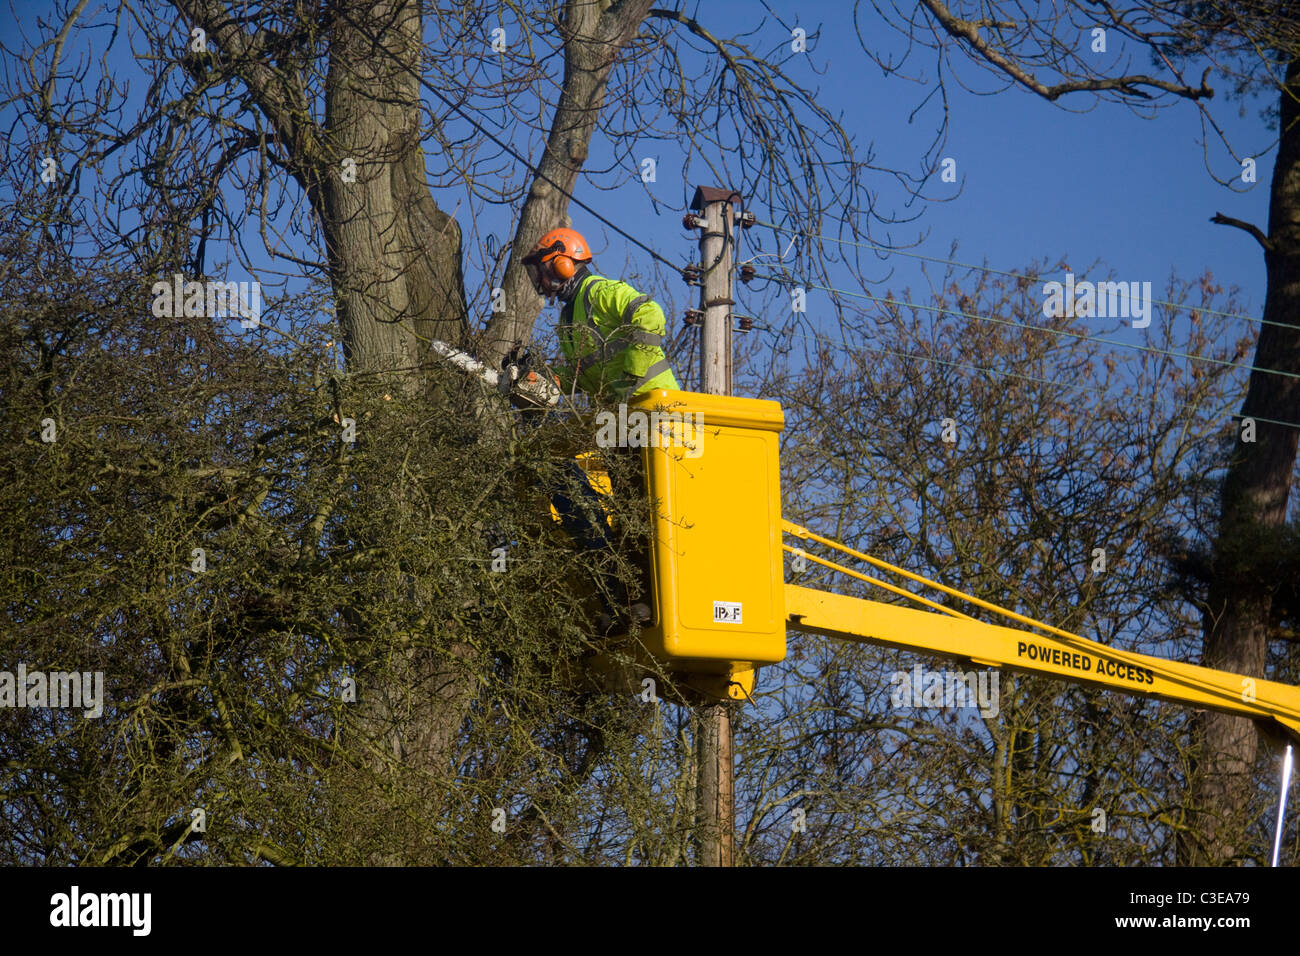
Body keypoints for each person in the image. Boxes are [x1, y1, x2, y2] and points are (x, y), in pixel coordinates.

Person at [521, 226, 680, 632]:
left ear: (562, 260)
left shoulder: (598, 293)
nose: (539, 280)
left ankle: (647, 597)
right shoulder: (567, 319)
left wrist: (630, 376)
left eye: (541, 269)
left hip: (653, 410)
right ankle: (632, 600)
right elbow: (582, 379)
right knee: (626, 509)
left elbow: (652, 314)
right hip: (621, 422)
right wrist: (539, 380)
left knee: (646, 508)